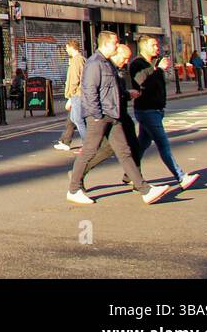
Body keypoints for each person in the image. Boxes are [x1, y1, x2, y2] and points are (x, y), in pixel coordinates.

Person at [66, 32, 169, 206]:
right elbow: (89, 91)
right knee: (89, 151)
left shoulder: (107, 64)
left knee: (124, 152)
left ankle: (145, 190)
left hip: (113, 115)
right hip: (100, 116)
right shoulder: (94, 63)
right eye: (115, 43)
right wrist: (97, 116)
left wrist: (127, 94)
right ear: (106, 44)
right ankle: (74, 189)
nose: (117, 45)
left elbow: (111, 91)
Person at [129, 37, 199, 190]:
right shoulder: (137, 64)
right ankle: (181, 177)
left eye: (157, 45)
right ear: (143, 47)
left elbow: (158, 84)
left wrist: (159, 70)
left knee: (143, 143)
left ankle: (130, 174)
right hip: (147, 110)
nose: (156, 47)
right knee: (163, 144)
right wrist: (158, 69)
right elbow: (143, 83)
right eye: (153, 45)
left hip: (156, 110)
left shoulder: (152, 64)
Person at [54, 42, 87, 151]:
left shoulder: (76, 61)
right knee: (73, 118)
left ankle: (88, 144)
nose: (66, 50)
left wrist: (70, 97)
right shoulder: (81, 59)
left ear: (72, 48)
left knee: (78, 120)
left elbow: (74, 80)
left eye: (67, 48)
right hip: (79, 94)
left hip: (77, 94)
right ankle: (65, 142)